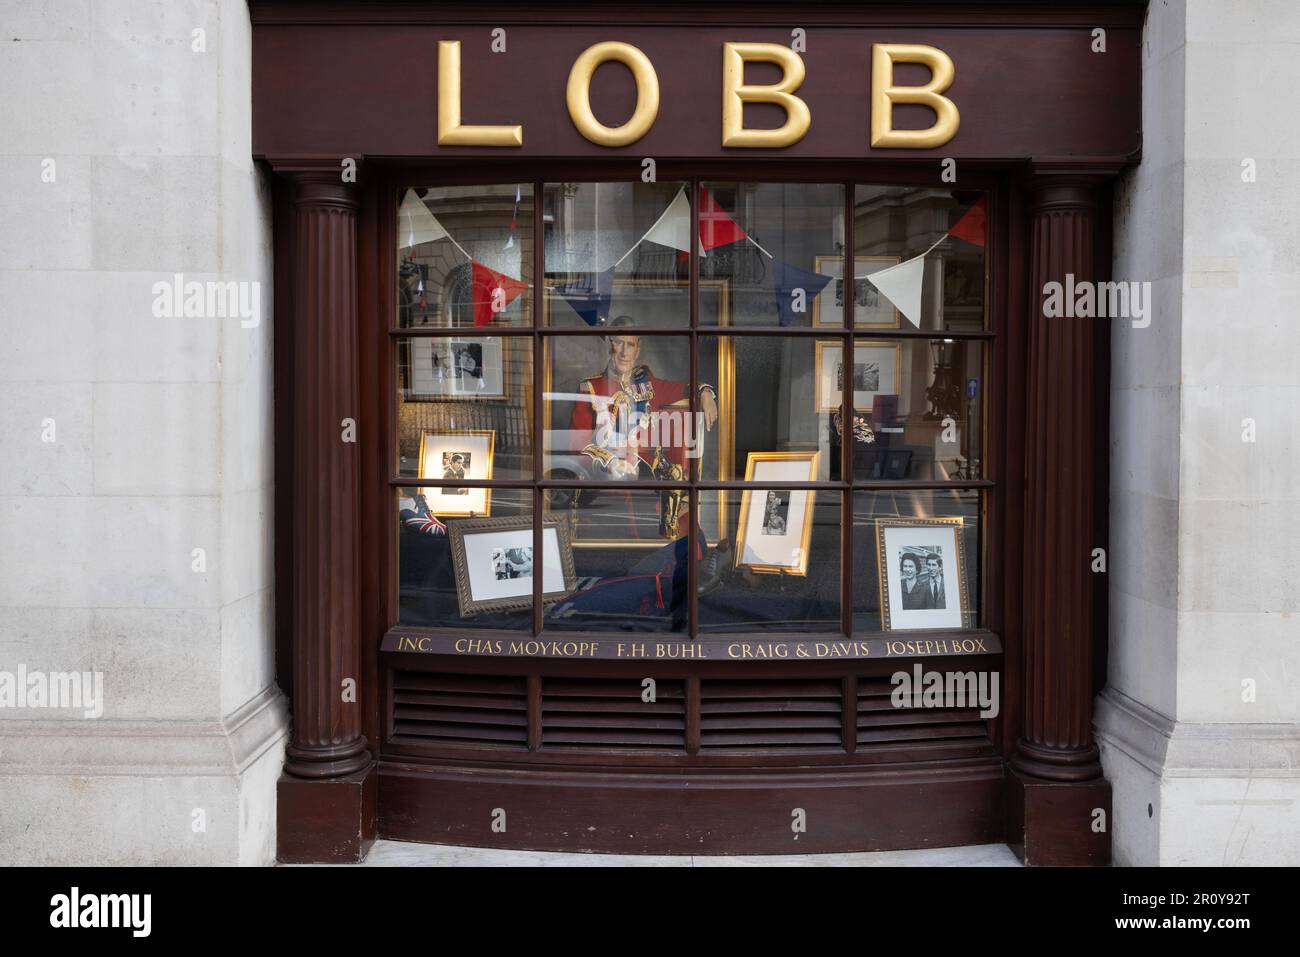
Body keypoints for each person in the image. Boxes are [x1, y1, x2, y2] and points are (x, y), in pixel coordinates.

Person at [568, 317, 719, 539]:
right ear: (609, 344)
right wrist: (610, 462)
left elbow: (683, 389)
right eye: (618, 343)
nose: (623, 352)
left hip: (649, 485)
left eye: (630, 345)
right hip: (607, 487)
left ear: (638, 350)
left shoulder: (649, 384)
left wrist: (706, 392)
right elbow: (577, 445)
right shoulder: (591, 387)